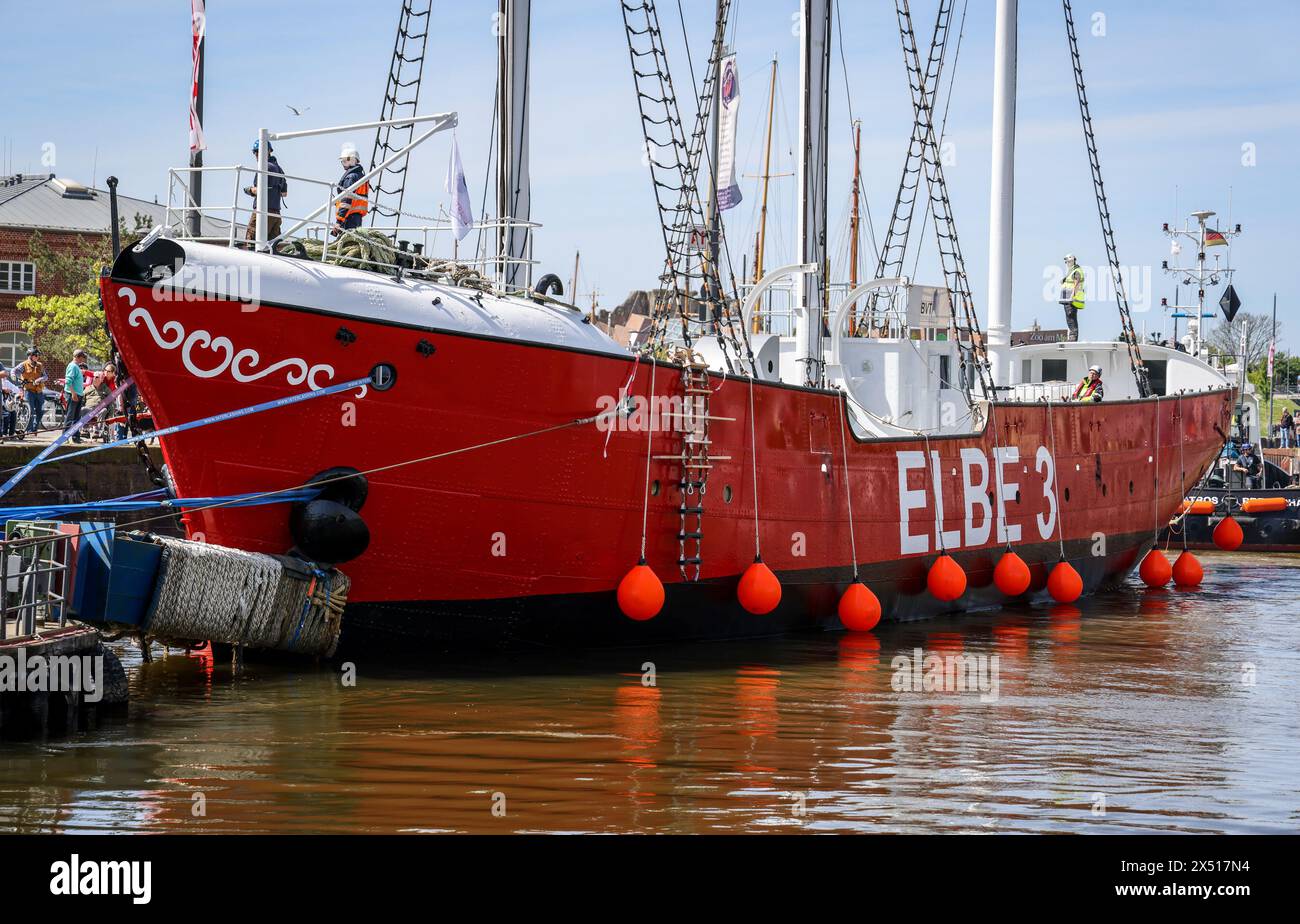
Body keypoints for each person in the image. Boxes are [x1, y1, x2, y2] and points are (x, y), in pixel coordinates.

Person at [244, 139, 288, 243]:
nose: (256, 155)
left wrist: (249, 190)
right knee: (272, 247)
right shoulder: (279, 169)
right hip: (276, 214)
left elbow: (259, 191)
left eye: (258, 151)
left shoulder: (264, 167)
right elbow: (284, 193)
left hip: (262, 212)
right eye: (255, 152)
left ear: (267, 151)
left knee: (252, 243)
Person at [333, 142, 368, 234]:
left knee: (346, 244)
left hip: (348, 218)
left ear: (350, 160)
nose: (343, 164)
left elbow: (346, 200)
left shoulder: (351, 177)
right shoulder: (361, 176)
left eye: (344, 161)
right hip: (357, 218)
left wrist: (339, 221)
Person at [17, 347, 47, 436]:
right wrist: (16, 377)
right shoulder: (24, 365)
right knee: (31, 412)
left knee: (40, 411)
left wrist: (40, 379)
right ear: (30, 356)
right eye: (36, 355)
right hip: (29, 391)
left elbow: (46, 376)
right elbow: (14, 371)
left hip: (39, 391)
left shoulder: (40, 365)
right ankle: (30, 430)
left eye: (38, 355)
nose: (37, 357)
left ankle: (34, 428)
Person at [1058, 254, 1086, 342]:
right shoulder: (1071, 271)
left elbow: (1076, 283)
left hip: (1071, 300)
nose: (1067, 263)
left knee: (1071, 319)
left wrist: (1072, 296)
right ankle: (1072, 337)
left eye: (1068, 261)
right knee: (1069, 319)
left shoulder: (1076, 271)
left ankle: (1073, 338)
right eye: (1066, 262)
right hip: (1067, 300)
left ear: (1073, 261)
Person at [63, 348, 88, 443]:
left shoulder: (76, 366)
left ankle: (75, 436)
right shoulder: (73, 366)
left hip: (77, 394)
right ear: (78, 357)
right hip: (72, 395)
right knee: (70, 417)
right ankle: (64, 438)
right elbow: (68, 382)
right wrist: (73, 393)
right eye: (82, 357)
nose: (83, 360)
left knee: (76, 417)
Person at [0, 363, 20, 440]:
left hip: (7, 404)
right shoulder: (1, 382)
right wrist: (4, 390)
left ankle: (11, 434)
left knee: (13, 413)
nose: (5, 377)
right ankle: (4, 433)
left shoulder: (7, 383)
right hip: (2, 404)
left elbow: (17, 390)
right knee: (6, 415)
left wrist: (12, 391)